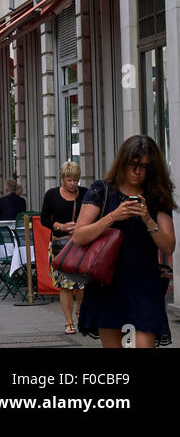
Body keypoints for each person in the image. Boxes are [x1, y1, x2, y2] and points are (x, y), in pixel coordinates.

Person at [73, 135, 175, 348]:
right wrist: (113, 216)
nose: (138, 172)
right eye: (133, 165)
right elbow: (79, 236)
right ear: (123, 162)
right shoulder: (103, 190)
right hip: (107, 282)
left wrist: (148, 219)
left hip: (144, 282)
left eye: (145, 167)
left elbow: (168, 246)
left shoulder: (156, 195)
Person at [41, 161, 88, 337]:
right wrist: (60, 226)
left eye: (76, 180)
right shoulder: (52, 195)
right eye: (69, 180)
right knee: (65, 286)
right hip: (60, 245)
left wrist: (81, 227)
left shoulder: (85, 194)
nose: (73, 184)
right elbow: (45, 218)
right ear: (62, 179)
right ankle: (69, 321)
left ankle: (80, 314)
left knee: (83, 285)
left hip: (82, 244)